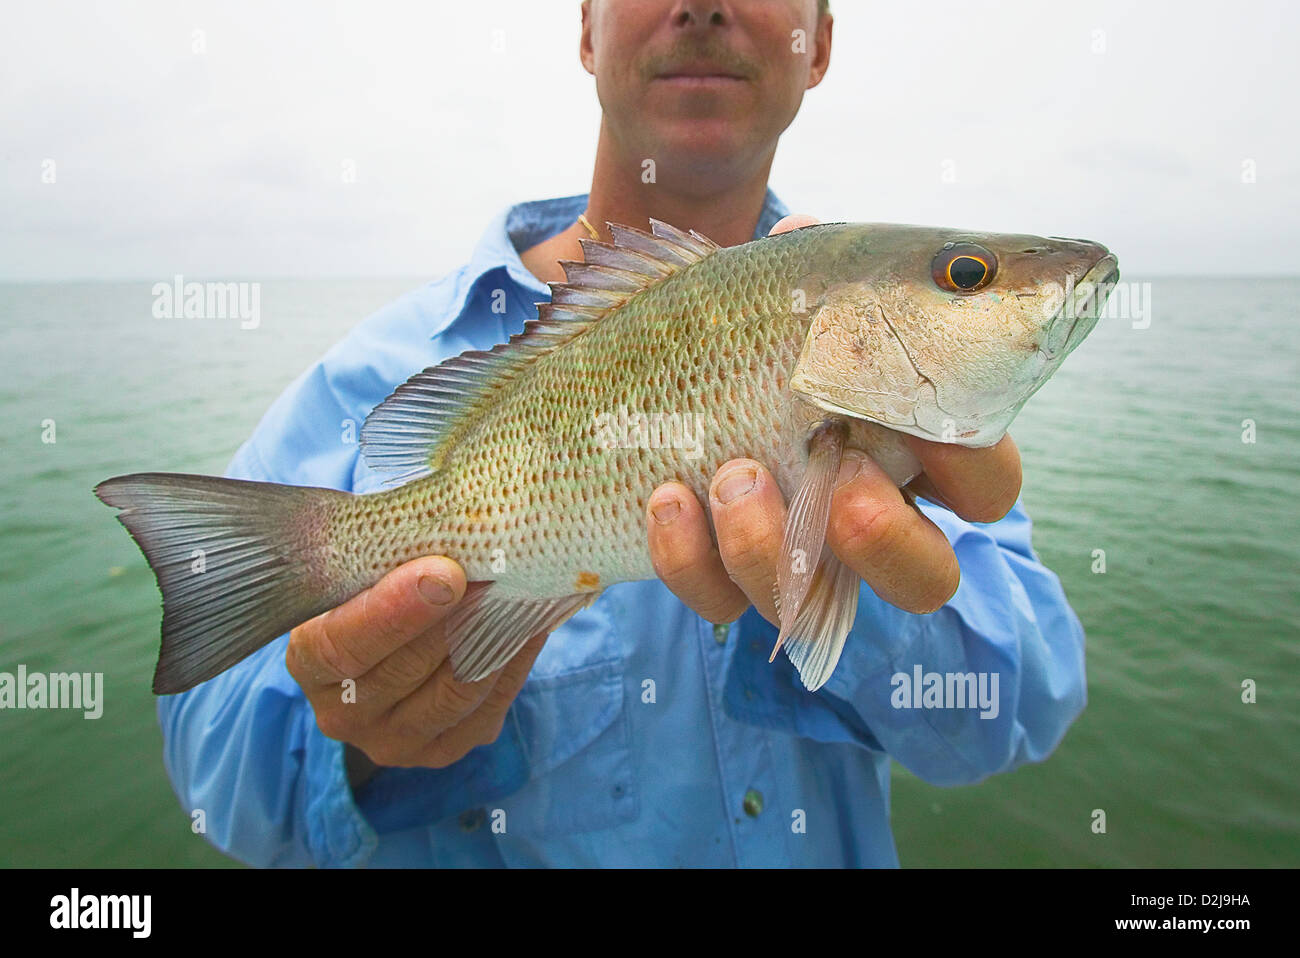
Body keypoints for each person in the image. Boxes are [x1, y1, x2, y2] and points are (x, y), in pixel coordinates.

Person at [158, 0, 1086, 867]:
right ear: (586, 31)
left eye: (964, 275)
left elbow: (1028, 703)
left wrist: (861, 585)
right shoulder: (379, 371)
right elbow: (215, 776)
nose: (702, 0)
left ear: (820, 45)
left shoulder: (923, 438)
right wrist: (361, 736)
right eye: (969, 275)